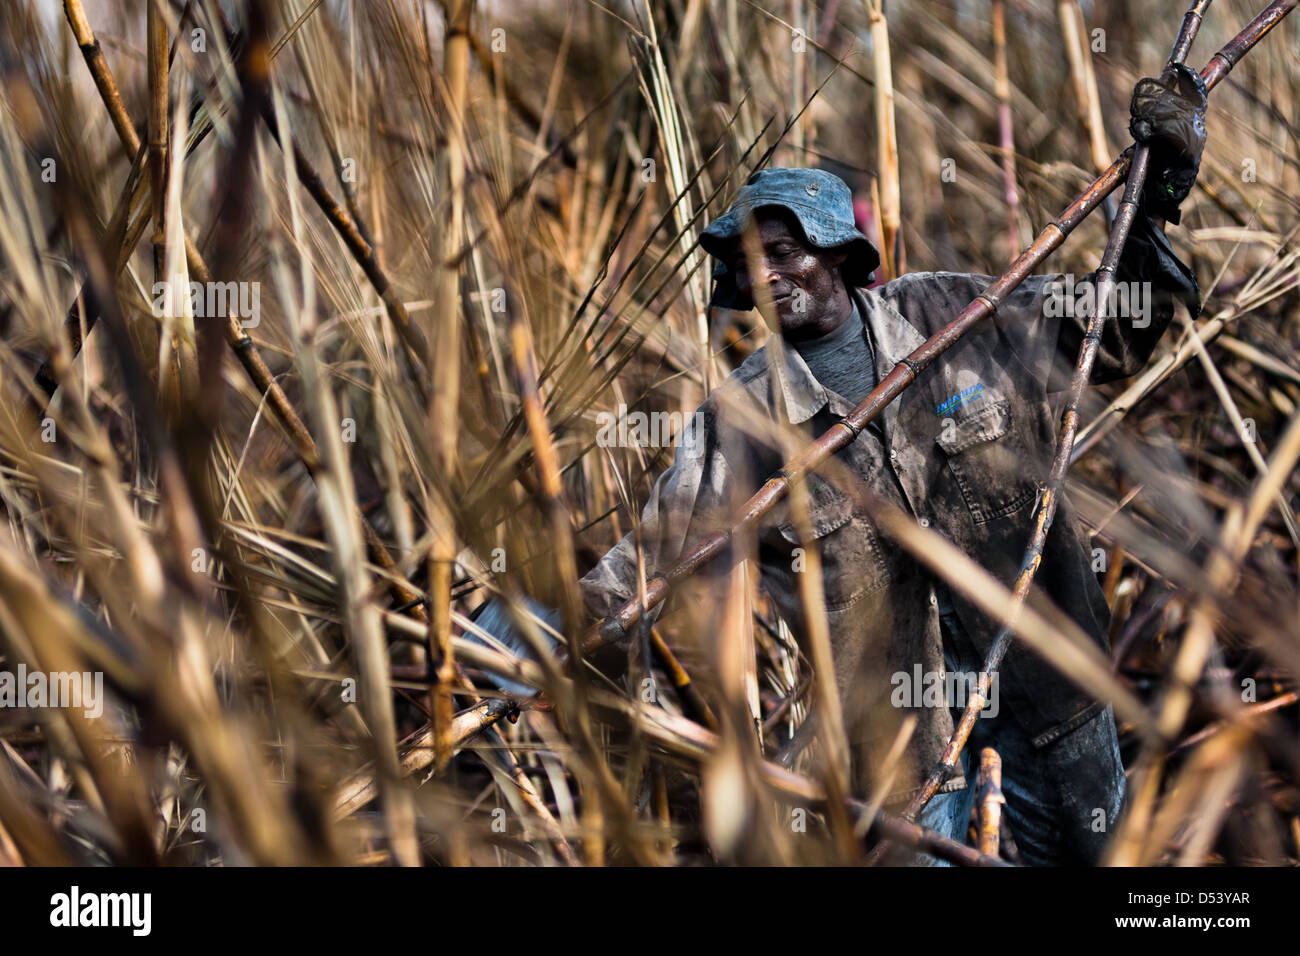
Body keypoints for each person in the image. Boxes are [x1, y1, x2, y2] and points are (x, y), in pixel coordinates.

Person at [474, 65, 1207, 865]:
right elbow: (658, 555)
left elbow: (1114, 334)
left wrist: (1155, 194)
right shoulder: (744, 419)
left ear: (836, 252)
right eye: (752, 260)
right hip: (908, 754)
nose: (768, 272)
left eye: (784, 251)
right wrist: (521, 634)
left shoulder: (956, 315)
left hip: (1052, 690)